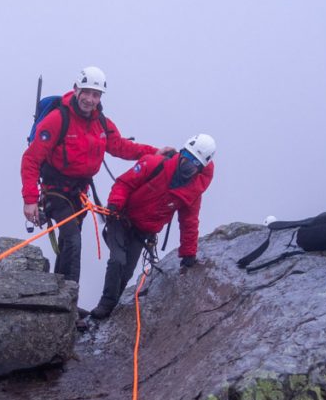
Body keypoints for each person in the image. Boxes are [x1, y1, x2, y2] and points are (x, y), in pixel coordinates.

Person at [20, 66, 171, 285]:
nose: (90, 99)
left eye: (96, 94)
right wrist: (30, 200)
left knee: (69, 241)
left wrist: (154, 152)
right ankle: (69, 297)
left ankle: (59, 293)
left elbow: (121, 147)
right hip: (55, 191)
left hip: (79, 193)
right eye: (87, 92)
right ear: (76, 89)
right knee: (72, 240)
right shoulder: (57, 120)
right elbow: (31, 159)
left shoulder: (101, 122)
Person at [89, 134, 217, 319]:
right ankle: (106, 305)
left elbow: (189, 222)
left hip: (143, 231)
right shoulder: (154, 164)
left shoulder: (193, 191)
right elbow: (124, 183)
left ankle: (112, 308)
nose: (187, 163)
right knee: (118, 260)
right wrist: (115, 204)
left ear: (201, 167)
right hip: (121, 218)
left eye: (194, 162)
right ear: (181, 152)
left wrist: (189, 253)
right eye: (186, 156)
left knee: (127, 270)